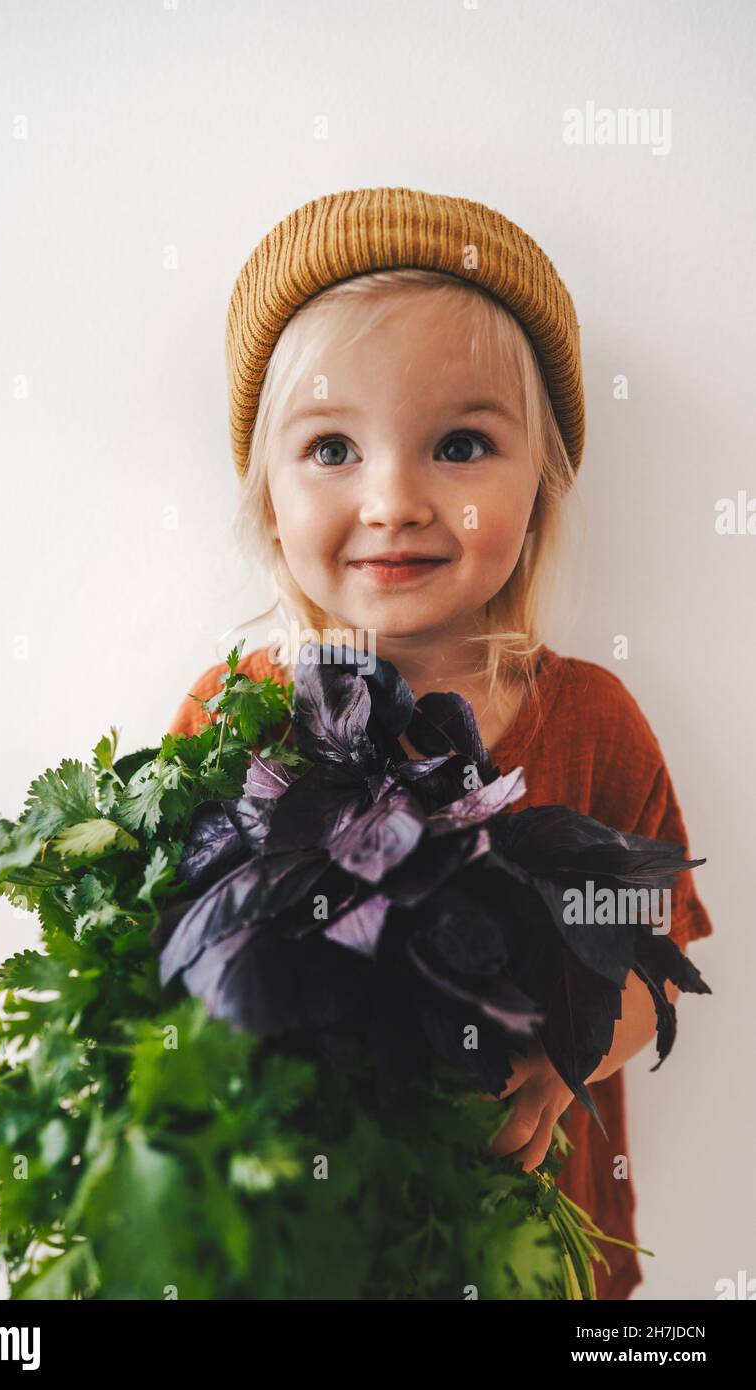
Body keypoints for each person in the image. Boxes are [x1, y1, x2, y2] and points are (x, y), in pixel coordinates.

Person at [168, 186, 714, 1300]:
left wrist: (570, 1051)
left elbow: (661, 961)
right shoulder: (235, 718)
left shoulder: (595, 722)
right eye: (331, 447)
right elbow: (164, 970)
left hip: (540, 1255)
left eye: (461, 444)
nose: (395, 498)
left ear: (540, 484)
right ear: (268, 500)